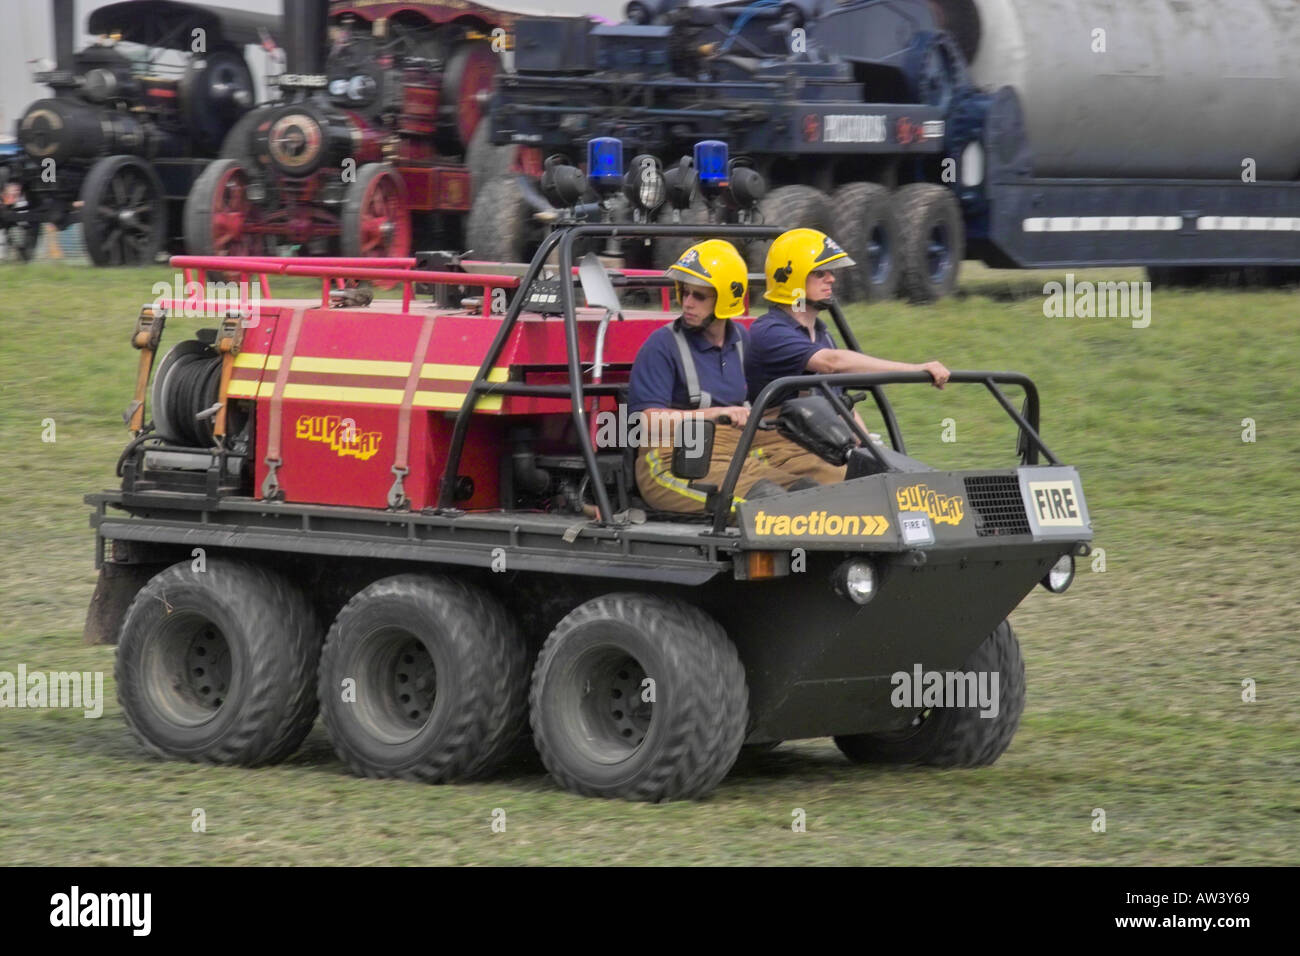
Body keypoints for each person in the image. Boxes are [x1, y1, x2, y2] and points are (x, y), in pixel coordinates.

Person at [745, 228, 951, 482]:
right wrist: (916, 369)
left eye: (831, 272)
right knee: (858, 484)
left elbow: (842, 406)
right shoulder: (769, 331)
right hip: (780, 447)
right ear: (793, 280)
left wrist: (869, 451)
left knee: (899, 477)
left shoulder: (822, 334)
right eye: (820, 274)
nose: (831, 279)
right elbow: (831, 363)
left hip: (821, 444)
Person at [627, 239, 810, 514]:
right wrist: (716, 413)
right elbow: (644, 423)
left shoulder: (743, 343)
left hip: (734, 455)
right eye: (684, 292)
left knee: (809, 493)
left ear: (727, 298)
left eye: (699, 296)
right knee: (766, 503)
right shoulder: (661, 345)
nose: (687, 303)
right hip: (671, 459)